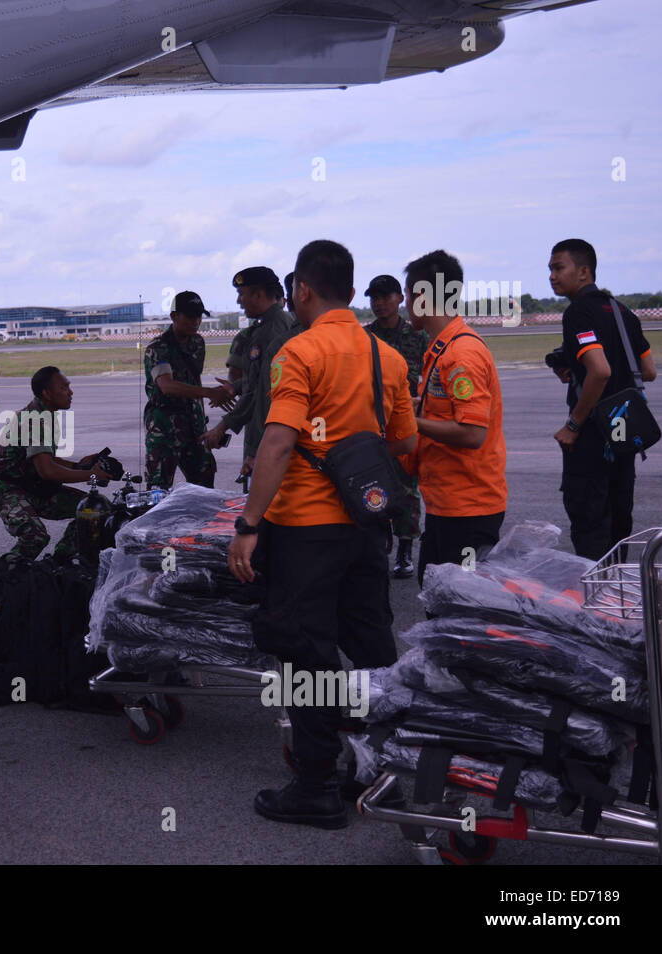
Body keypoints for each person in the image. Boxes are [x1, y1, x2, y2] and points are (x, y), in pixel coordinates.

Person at [228, 240, 416, 829]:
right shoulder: (388, 356)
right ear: (354, 291)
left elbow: (278, 442)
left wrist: (248, 525)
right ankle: (392, 770)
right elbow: (406, 445)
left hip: (305, 531)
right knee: (373, 649)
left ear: (302, 290)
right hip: (366, 529)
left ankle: (314, 786)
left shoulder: (299, 352)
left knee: (307, 657)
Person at [400, 252, 507, 585]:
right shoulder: (442, 349)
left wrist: (409, 419)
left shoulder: (461, 354)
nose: (404, 303)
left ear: (422, 297)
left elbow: (473, 432)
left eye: (407, 294)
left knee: (460, 610)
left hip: (468, 510)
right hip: (448, 504)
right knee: (436, 596)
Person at [549, 238, 657, 559]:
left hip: (593, 438)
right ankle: (616, 599)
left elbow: (600, 371)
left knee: (590, 525)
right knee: (618, 524)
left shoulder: (577, 313)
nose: (552, 276)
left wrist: (573, 424)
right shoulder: (624, 312)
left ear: (583, 272)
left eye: (558, 267)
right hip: (623, 433)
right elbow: (648, 371)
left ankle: (594, 605)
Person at [0, 366, 114, 560]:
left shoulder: (45, 414)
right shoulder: (36, 421)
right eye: (64, 388)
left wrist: (78, 466)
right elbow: (48, 471)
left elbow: (44, 459)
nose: (71, 392)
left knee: (93, 510)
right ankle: (5, 577)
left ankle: (61, 562)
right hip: (7, 489)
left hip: (31, 484)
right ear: (47, 393)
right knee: (35, 537)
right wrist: (92, 475)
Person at [204, 267, 301, 485]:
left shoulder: (272, 332)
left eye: (242, 294)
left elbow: (263, 394)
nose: (239, 301)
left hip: (269, 437)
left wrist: (223, 428)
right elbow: (260, 379)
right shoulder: (272, 325)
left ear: (258, 295)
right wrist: (236, 386)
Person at [364, 274, 429, 578]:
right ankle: (378, 545)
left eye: (384, 297)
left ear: (399, 299)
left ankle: (405, 549)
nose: (378, 303)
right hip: (371, 423)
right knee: (372, 488)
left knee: (406, 490)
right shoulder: (365, 338)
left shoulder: (418, 336)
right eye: (373, 298)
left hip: (405, 422)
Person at [142, 291, 229, 489]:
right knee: (159, 489)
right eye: (190, 316)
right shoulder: (158, 347)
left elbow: (192, 378)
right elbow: (167, 386)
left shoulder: (198, 343)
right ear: (174, 316)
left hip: (194, 424)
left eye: (199, 316)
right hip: (164, 427)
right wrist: (208, 392)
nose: (196, 321)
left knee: (204, 480)